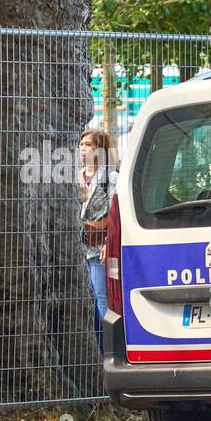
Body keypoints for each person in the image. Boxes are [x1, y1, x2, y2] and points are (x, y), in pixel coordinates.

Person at [79, 128, 120, 341]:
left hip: (97, 251)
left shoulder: (110, 178)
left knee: (100, 300)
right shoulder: (74, 178)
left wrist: (108, 243)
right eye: (81, 144)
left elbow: (116, 213)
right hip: (77, 251)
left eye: (89, 145)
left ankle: (107, 349)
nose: (83, 149)